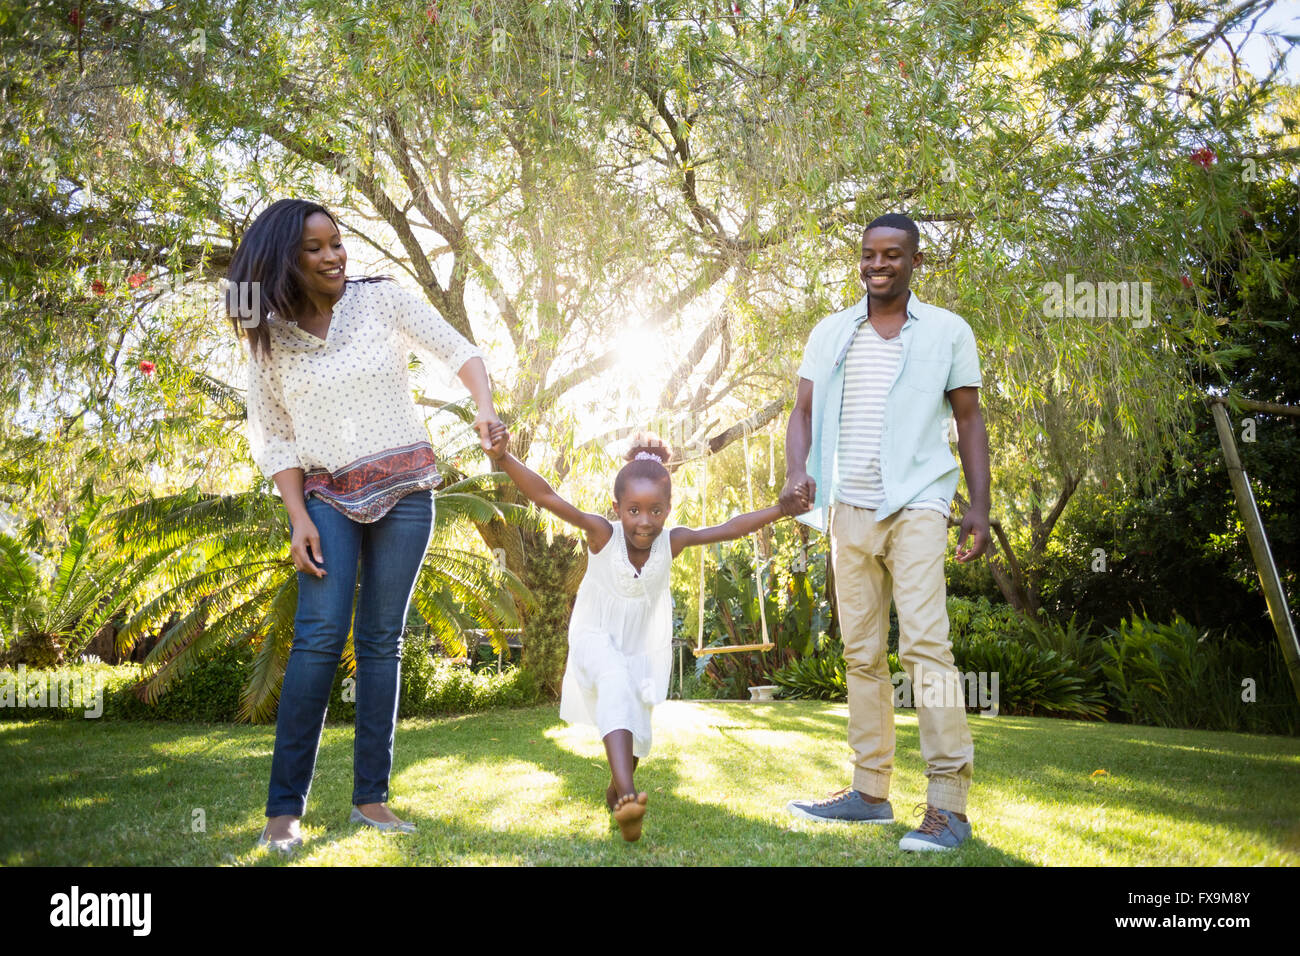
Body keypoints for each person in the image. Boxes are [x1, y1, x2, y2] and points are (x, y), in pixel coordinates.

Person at [231, 198, 502, 853]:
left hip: (407, 488)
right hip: (326, 495)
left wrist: (485, 408)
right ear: (283, 263)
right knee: (319, 638)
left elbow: (458, 349)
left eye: (337, 242)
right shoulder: (266, 336)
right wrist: (297, 517)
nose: (333, 256)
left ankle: (372, 800)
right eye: (314, 249)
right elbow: (275, 436)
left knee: (381, 640)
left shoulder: (381, 299)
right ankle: (283, 812)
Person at [780, 213, 991, 852]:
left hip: (919, 503)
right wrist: (796, 472)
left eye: (892, 255)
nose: (878, 264)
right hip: (849, 509)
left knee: (926, 645)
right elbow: (804, 411)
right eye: (869, 254)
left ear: (915, 262)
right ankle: (870, 792)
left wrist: (978, 506)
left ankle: (949, 807)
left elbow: (970, 419)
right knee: (861, 653)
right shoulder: (831, 332)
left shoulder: (949, 332)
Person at [485, 427, 809, 841]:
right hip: (594, 636)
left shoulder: (673, 543)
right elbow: (547, 497)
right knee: (614, 681)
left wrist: (781, 510)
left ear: (668, 509)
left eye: (655, 511)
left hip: (641, 647)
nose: (644, 521)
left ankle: (616, 789)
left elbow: (731, 528)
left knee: (637, 725)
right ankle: (630, 798)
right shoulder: (603, 534)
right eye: (634, 510)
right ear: (616, 507)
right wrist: (504, 458)